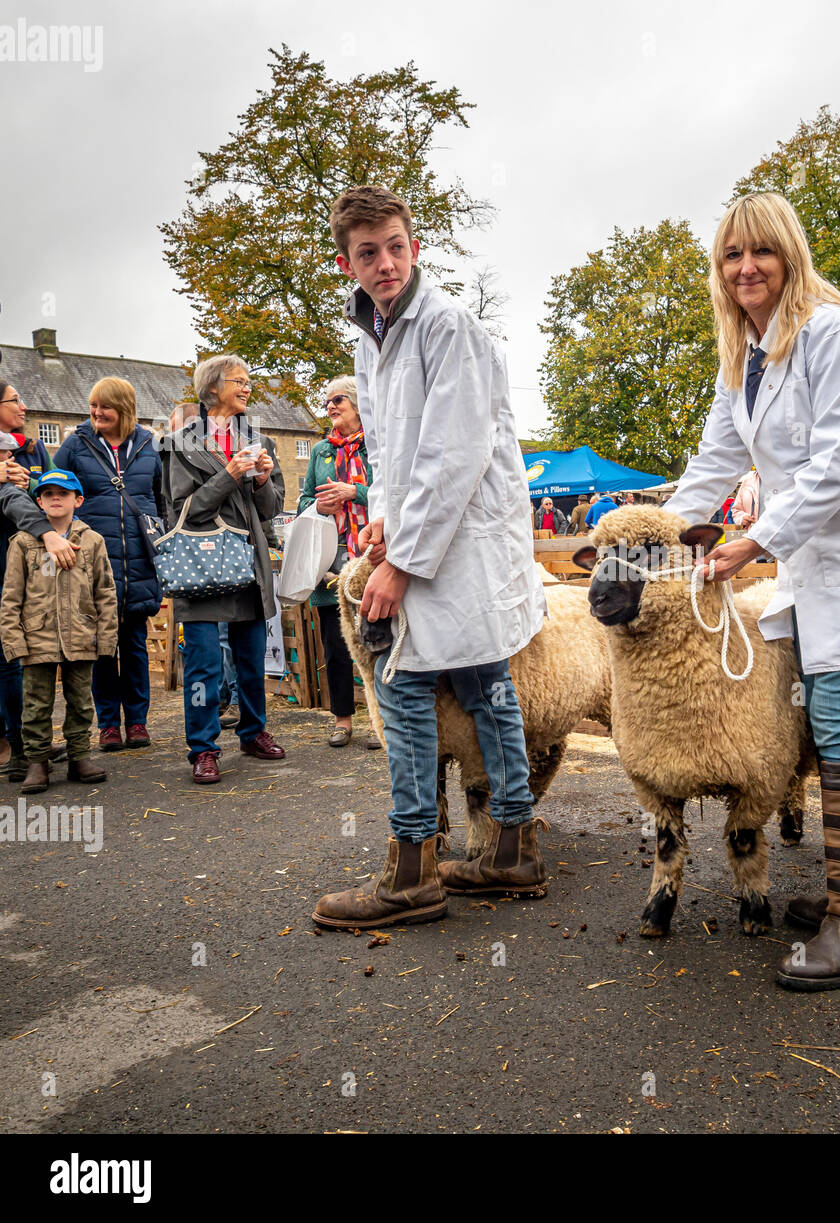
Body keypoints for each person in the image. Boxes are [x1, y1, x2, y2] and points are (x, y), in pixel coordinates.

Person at [662, 192, 840, 992]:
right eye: (732, 256)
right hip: (813, 558)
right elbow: (713, 462)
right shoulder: (743, 355)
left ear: (789, 255)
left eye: (761, 253)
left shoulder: (835, 335)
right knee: (835, 714)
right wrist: (653, 535)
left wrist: (752, 539)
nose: (746, 268)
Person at [313, 184, 549, 930]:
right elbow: (388, 448)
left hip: (460, 540)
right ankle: (512, 846)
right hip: (427, 536)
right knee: (484, 682)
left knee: (404, 683)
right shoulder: (372, 336)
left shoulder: (449, 327)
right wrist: (383, 521)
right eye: (366, 253)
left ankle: (413, 866)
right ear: (347, 262)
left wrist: (398, 564)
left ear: (415, 246)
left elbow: (453, 455)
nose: (384, 263)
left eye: (394, 246)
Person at [160, 355, 286, 785]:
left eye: (249, 381)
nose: (248, 387)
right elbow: (184, 512)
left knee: (251, 662)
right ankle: (204, 749)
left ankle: (253, 733)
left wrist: (265, 480)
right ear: (212, 388)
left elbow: (272, 511)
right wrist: (230, 475)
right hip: (201, 568)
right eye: (239, 381)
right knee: (204, 668)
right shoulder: (180, 446)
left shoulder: (260, 441)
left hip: (248, 566)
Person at [54, 377, 163, 751]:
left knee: (134, 644)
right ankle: (108, 724)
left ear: (125, 410)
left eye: (105, 407)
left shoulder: (149, 446)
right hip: (93, 564)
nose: (97, 413)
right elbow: (52, 489)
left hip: (137, 564)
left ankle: (137, 721)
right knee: (102, 648)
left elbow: (159, 500)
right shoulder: (75, 444)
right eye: (93, 406)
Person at [1, 470, 117, 793]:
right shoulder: (23, 543)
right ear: (37, 500)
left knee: (81, 701)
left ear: (78, 500)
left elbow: (105, 593)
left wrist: (106, 639)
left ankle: (80, 756)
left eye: (63, 493)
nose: (55, 497)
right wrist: (13, 642)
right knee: (36, 704)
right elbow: (10, 597)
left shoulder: (92, 541)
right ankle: (37, 762)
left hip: (81, 636)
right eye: (48, 493)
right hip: (36, 639)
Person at [0, 379, 78, 781]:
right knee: (11, 660)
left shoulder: (29, 448)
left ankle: (25, 746)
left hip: (18, 559)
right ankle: (21, 748)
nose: (25, 406)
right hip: (14, 559)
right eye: (15, 400)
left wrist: (26, 483)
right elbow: (11, 501)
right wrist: (47, 533)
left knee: (14, 661)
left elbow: (47, 488)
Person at [297, 375, 380, 749]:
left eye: (339, 400)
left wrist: (355, 492)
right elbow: (302, 502)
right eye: (327, 400)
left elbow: (391, 493)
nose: (331, 406)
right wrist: (318, 505)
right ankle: (343, 721)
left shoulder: (376, 445)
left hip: (373, 558)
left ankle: (384, 719)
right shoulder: (320, 452)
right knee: (336, 645)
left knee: (383, 641)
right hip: (330, 562)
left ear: (359, 404)